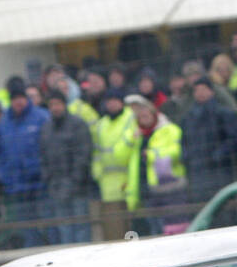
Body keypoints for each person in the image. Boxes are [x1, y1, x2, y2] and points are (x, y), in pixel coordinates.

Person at [0, 75, 50, 248]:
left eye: (21, 98)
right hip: (16, 185)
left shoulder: (41, 117)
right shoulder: (4, 124)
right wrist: (3, 175)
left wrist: (43, 170)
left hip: (41, 184)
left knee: (48, 223)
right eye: (15, 99)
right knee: (26, 226)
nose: (18, 103)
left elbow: (49, 147)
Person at [125, 94, 185, 235]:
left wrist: (151, 155)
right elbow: (121, 156)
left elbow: (176, 152)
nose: (144, 119)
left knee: (171, 225)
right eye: (141, 117)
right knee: (152, 227)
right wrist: (132, 139)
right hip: (143, 187)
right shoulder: (136, 135)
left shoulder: (169, 129)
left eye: (146, 115)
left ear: (154, 114)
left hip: (168, 187)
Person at [38, 90, 93, 245]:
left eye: (58, 104)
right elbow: (43, 156)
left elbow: (83, 155)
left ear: (64, 105)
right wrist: (48, 178)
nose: (55, 108)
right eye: (51, 105)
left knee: (81, 227)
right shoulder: (46, 129)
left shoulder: (78, 125)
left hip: (78, 188)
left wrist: (74, 180)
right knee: (64, 228)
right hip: (56, 186)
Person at [180, 78, 237, 206]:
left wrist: (218, 156)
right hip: (197, 173)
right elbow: (183, 141)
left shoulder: (224, 114)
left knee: (223, 207)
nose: (200, 93)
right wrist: (187, 157)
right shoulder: (188, 118)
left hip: (219, 172)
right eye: (197, 90)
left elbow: (234, 139)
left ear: (211, 91)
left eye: (203, 89)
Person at [91, 87, 137, 240]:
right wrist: (97, 171)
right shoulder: (101, 124)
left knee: (130, 222)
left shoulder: (130, 118)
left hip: (128, 177)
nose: (111, 105)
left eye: (115, 101)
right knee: (113, 224)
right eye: (109, 101)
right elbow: (97, 150)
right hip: (107, 181)